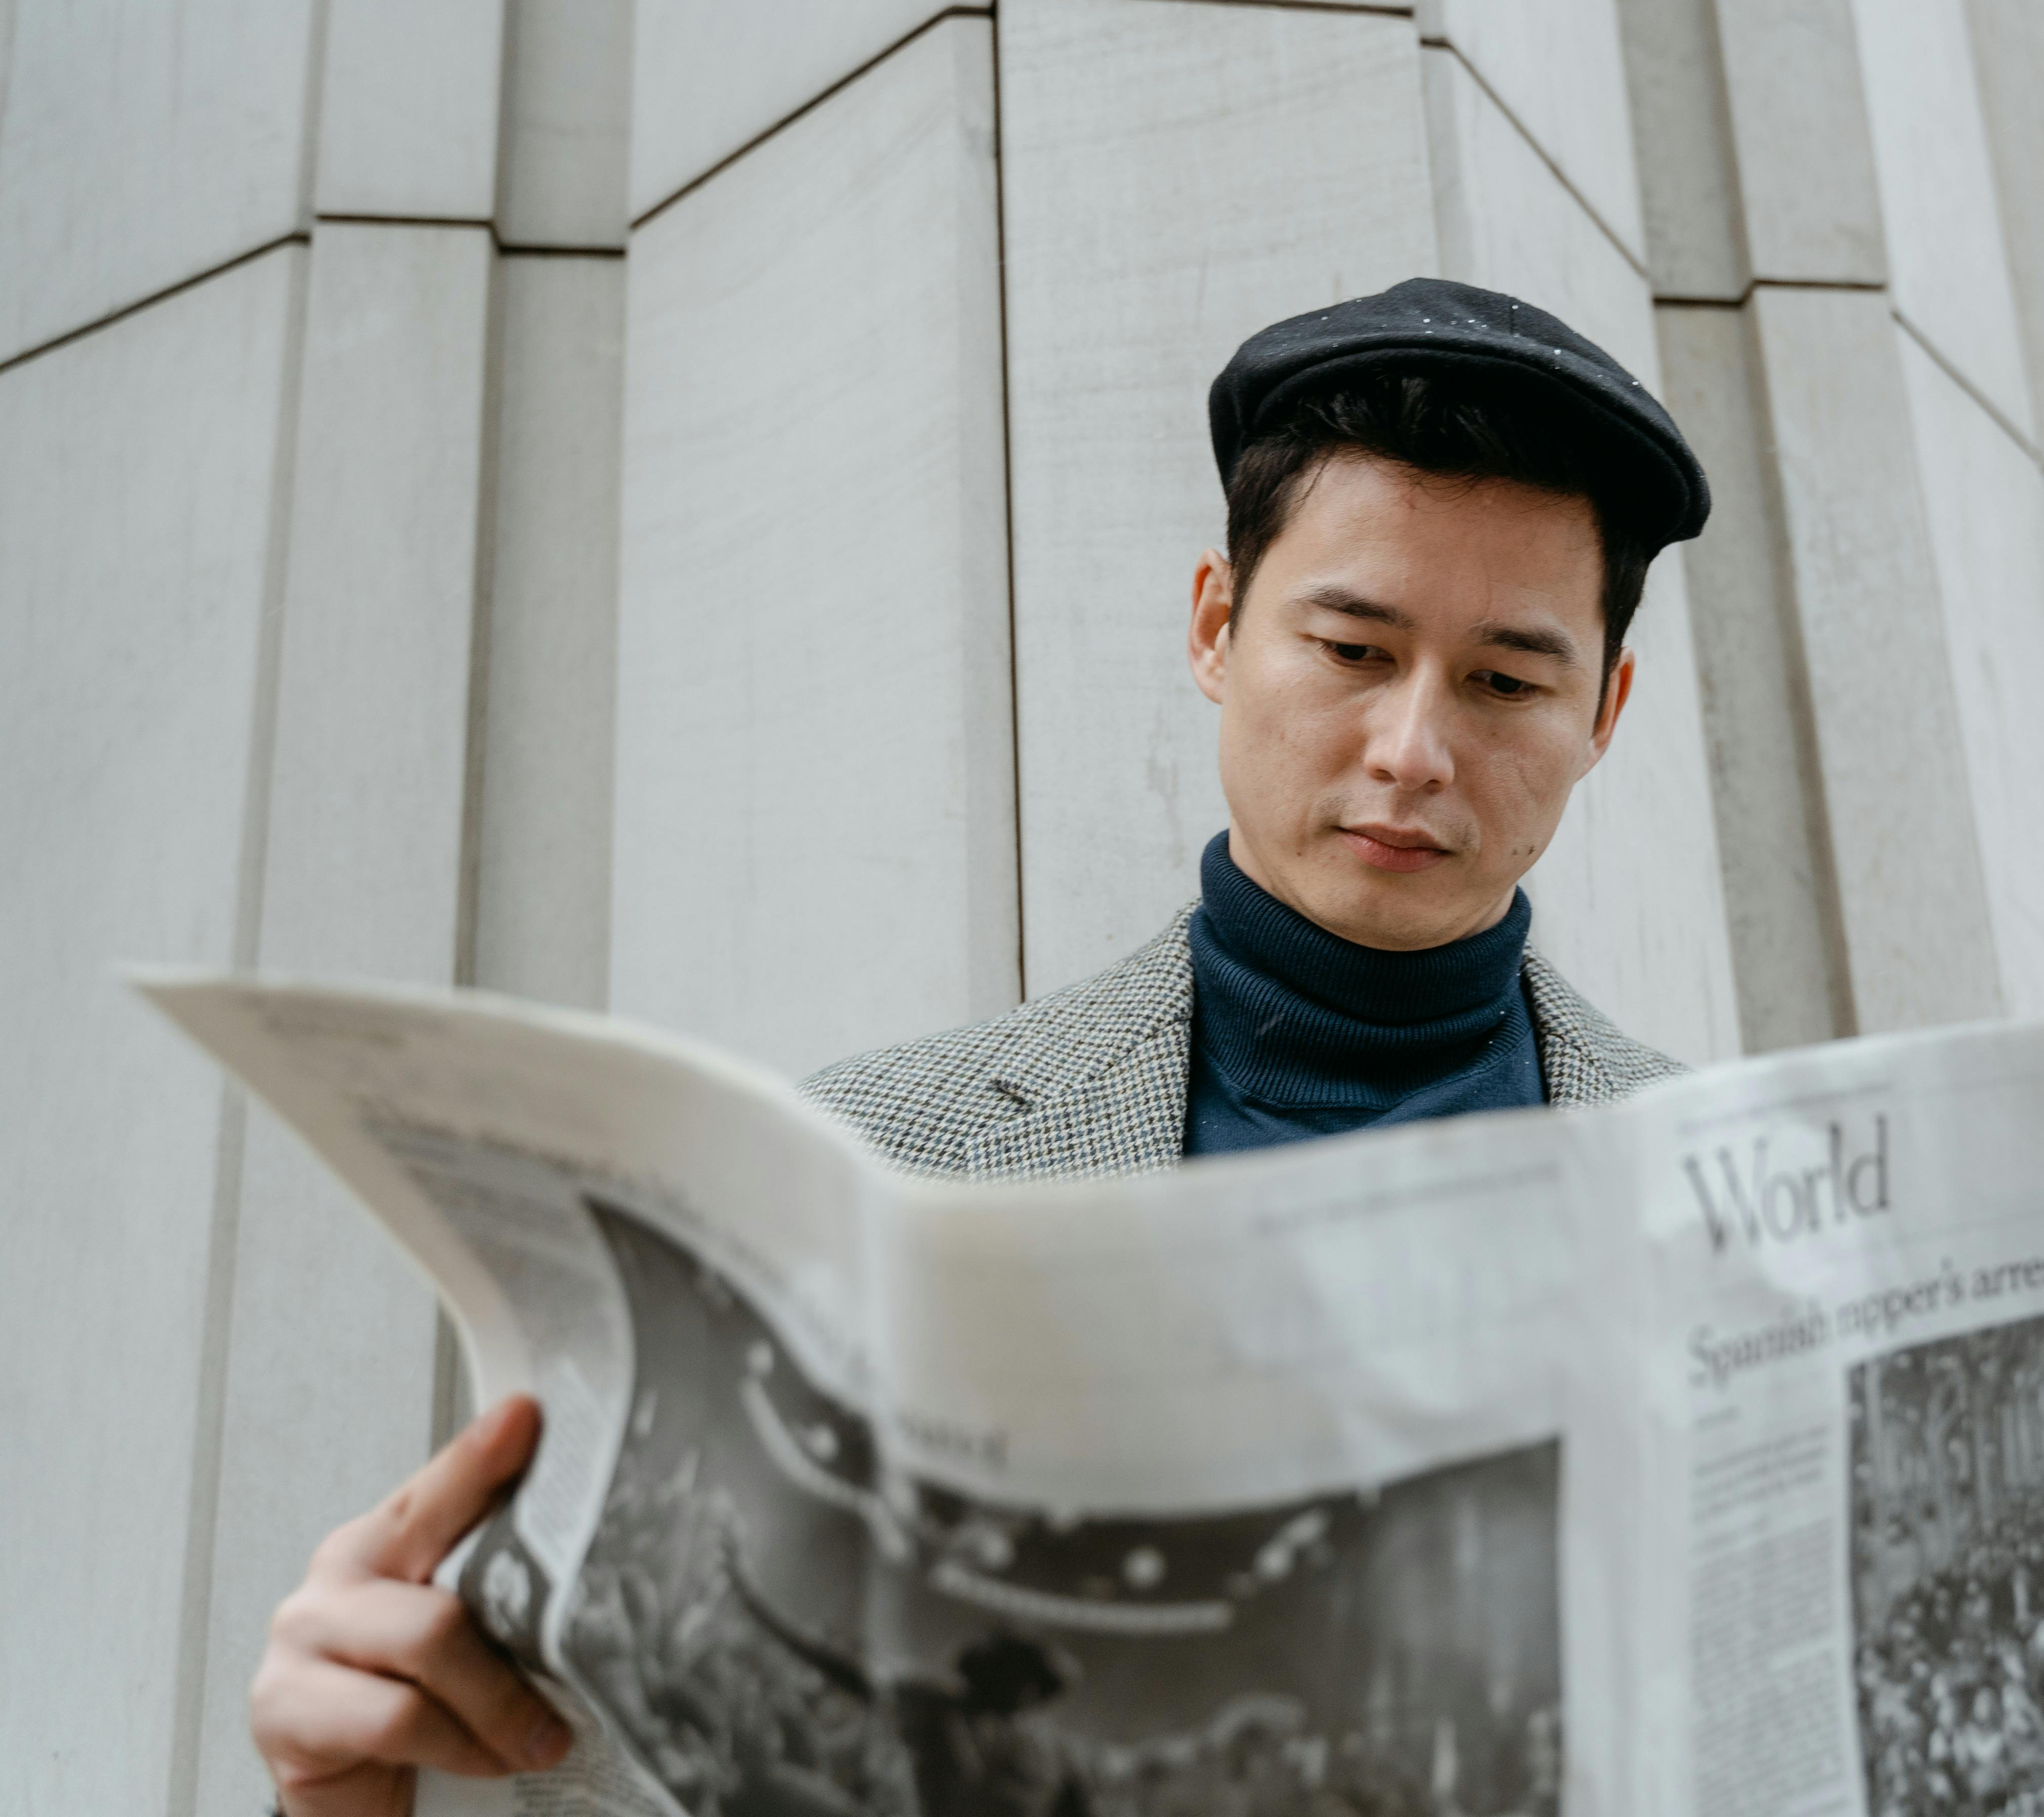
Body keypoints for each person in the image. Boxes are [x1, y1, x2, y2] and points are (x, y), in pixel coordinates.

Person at [243, 281, 1705, 1811]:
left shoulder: (1739, 1203)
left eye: (1506, 682)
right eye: (1351, 648)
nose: (1413, 751)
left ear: (1602, 709)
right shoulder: (857, 1169)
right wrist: (346, 1793)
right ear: (1217, 626)